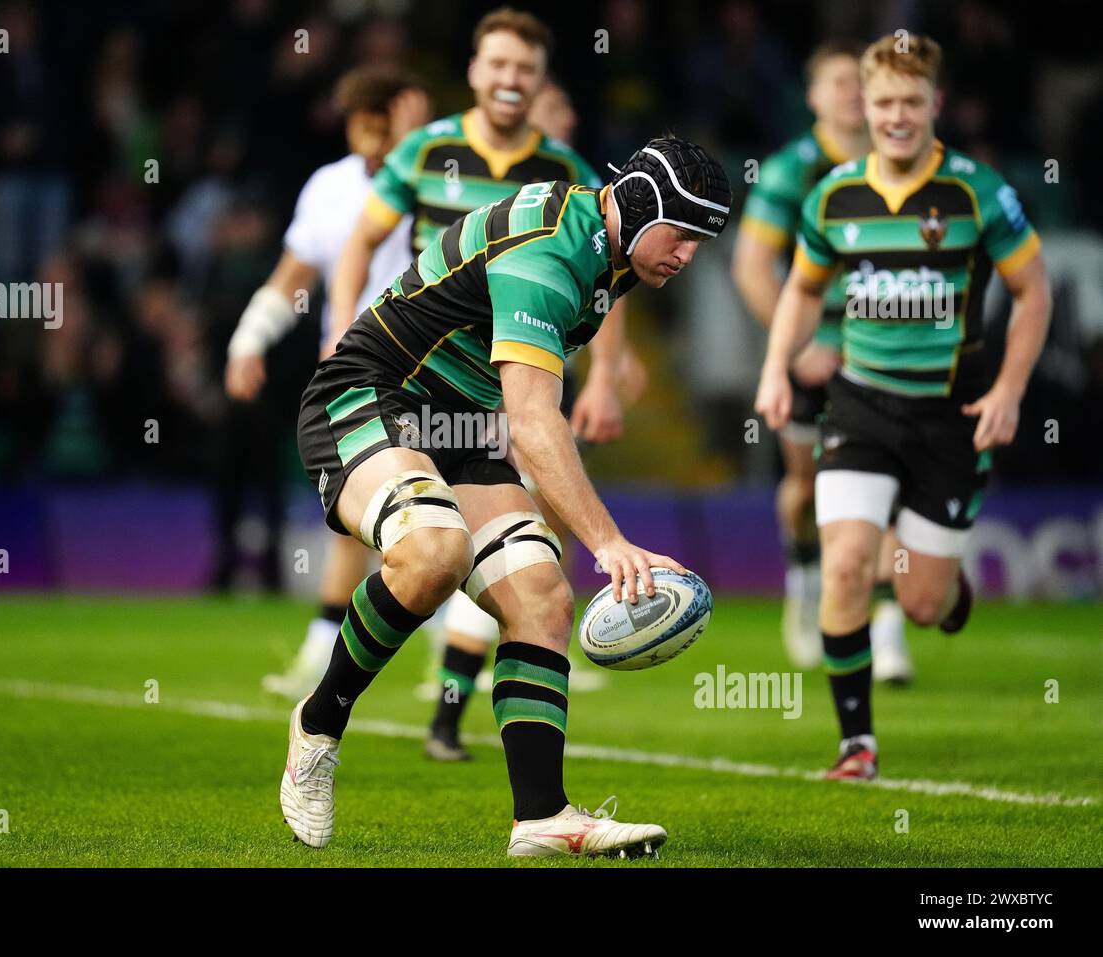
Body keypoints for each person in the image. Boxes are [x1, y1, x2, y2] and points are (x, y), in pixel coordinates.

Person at [284, 135, 733, 856]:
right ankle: (319, 721)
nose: (687, 257)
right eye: (681, 235)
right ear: (642, 205)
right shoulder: (552, 252)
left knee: (542, 596)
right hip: (370, 396)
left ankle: (542, 816)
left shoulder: (604, 248)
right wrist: (609, 542)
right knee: (432, 551)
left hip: (461, 427)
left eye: (700, 243)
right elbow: (530, 425)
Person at [322, 7, 633, 762]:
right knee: (438, 549)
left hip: (505, 388)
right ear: (473, 69)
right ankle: (349, 708)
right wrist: (341, 326)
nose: (509, 80)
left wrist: (606, 379)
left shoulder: (565, 169)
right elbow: (361, 239)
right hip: (412, 373)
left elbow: (607, 274)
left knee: (528, 562)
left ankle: (464, 728)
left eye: (524, 68)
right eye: (497, 64)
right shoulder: (427, 149)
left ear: (539, 79)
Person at [755, 33, 1051, 780]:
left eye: (910, 102)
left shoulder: (977, 192)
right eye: (882, 101)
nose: (894, 116)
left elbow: (1033, 290)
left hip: (951, 416)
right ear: (867, 102)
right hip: (860, 408)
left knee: (922, 603)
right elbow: (800, 286)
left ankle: (943, 585)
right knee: (848, 562)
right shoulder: (833, 193)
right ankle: (857, 744)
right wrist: (777, 367)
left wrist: (1011, 388)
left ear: (934, 105)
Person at [224, 65, 431, 698]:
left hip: (439, 364)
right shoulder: (329, 187)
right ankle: (335, 654)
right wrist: (248, 339)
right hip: (357, 369)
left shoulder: (438, 177)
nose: (376, 139)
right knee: (364, 509)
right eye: (367, 122)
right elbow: (295, 274)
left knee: (440, 505)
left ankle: (455, 661)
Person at [733, 41, 911, 683]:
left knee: (886, 491)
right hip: (812, 349)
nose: (851, 94)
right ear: (812, 97)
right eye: (837, 82)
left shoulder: (897, 164)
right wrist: (797, 345)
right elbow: (751, 264)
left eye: (858, 82)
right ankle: (805, 583)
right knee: (805, 488)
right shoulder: (791, 169)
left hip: (879, 352)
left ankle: (887, 632)